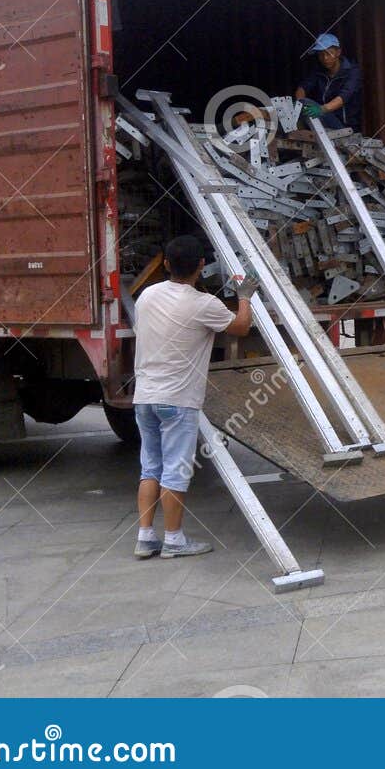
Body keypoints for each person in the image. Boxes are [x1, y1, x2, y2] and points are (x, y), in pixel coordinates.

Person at [131, 235, 254, 560]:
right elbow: (241, 327)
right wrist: (245, 297)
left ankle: (145, 537)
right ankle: (174, 540)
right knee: (175, 470)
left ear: (167, 264)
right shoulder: (204, 304)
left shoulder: (146, 296)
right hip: (177, 400)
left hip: (144, 397)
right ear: (202, 266)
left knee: (150, 468)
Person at [233, 32, 362, 132]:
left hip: (342, 127)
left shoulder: (352, 71)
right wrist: (300, 105)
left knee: (304, 103)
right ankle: (264, 116)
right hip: (321, 120)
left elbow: (343, 97)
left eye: (329, 53)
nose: (325, 58)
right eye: (321, 55)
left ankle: (265, 114)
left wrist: (321, 109)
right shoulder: (319, 71)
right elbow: (302, 88)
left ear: (338, 52)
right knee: (299, 103)